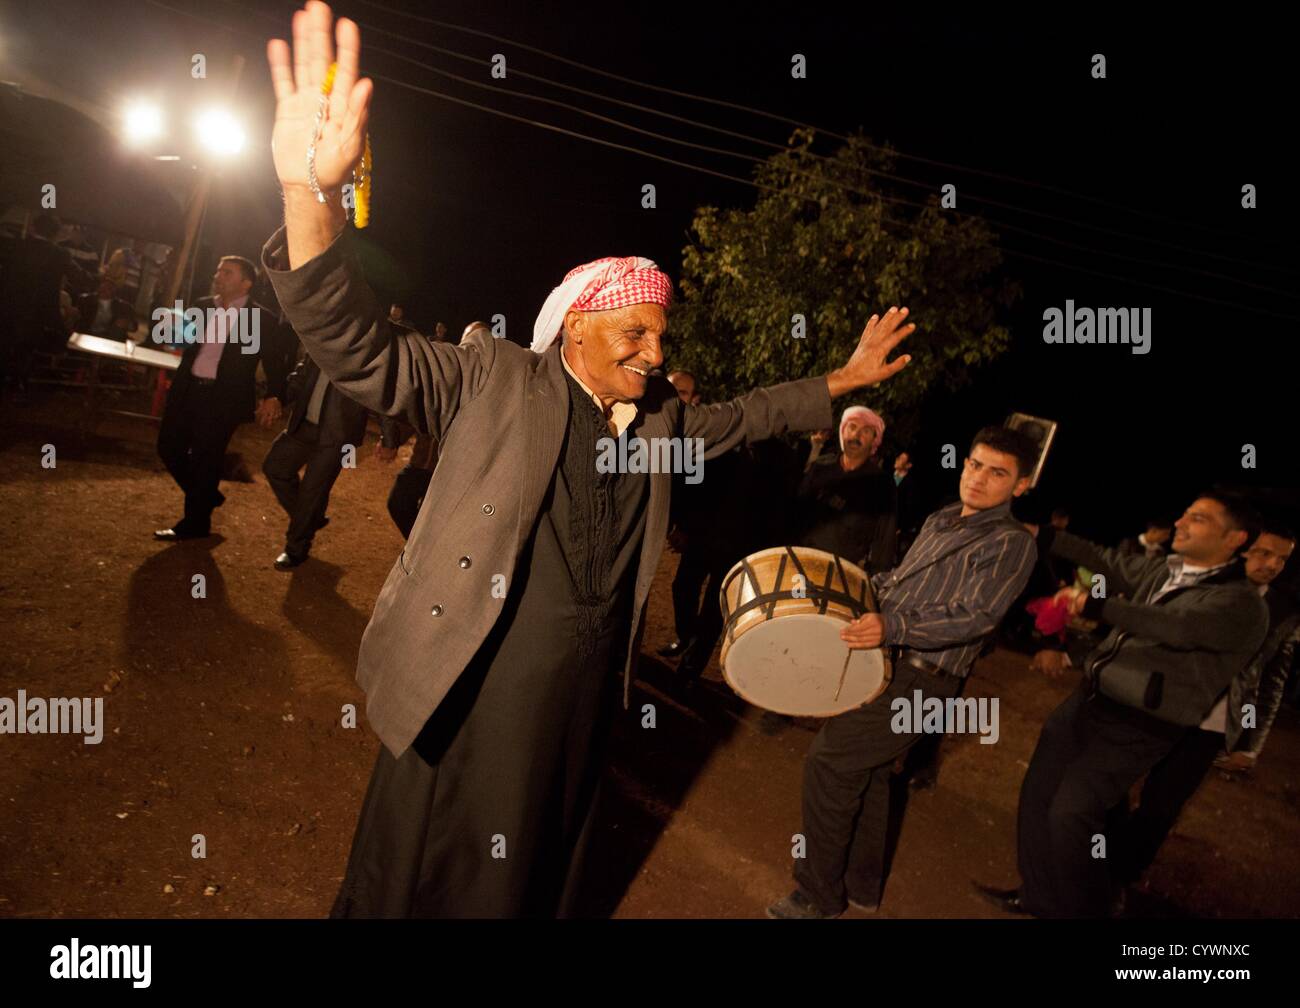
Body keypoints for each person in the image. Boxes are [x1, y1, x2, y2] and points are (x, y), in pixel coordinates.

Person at [261, 0, 917, 918]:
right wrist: (307, 195)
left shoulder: (656, 427)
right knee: (426, 867)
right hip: (472, 684)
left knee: (534, 862)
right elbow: (363, 352)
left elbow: (750, 415)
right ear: (578, 325)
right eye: (635, 331)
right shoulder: (494, 378)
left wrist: (841, 380)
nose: (655, 353)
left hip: (575, 702)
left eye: (661, 335)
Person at [767, 426, 1039, 918]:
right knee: (866, 774)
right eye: (975, 465)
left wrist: (892, 624)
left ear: (1021, 486)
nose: (978, 479)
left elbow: (976, 615)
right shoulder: (942, 519)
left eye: (998, 473)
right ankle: (860, 887)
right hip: (888, 665)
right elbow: (899, 582)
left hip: (927, 680)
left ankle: (816, 896)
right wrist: (848, 585)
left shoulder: (1011, 543)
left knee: (829, 763)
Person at [984, 491, 1269, 918]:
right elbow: (1104, 559)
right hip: (1090, 700)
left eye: (1199, 518)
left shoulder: (1242, 603)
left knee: (1072, 815)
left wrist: (1095, 604)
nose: (1181, 522)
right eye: (1185, 512)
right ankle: (1039, 895)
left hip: (1141, 723)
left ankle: (1090, 909)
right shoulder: (1167, 571)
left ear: (1235, 538)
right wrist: (1040, 534)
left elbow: (1176, 627)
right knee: (1039, 797)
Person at [1104, 522, 1298, 890]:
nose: (1272, 564)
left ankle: (1118, 879)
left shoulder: (1284, 611)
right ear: (1240, 546)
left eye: (1282, 559)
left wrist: (1249, 744)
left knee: (1161, 808)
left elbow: (1271, 681)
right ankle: (1092, 859)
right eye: (1264, 553)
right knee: (1107, 784)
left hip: (1208, 727)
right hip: (1158, 706)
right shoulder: (1203, 584)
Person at [153, 255, 294, 541]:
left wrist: (273, 396)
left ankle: (195, 524)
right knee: (168, 447)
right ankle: (207, 495)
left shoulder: (260, 319)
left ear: (246, 283)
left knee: (206, 458)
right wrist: (169, 328)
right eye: (218, 270)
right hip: (187, 391)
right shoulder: (202, 306)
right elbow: (179, 343)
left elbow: (275, 363)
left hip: (223, 400)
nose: (218, 275)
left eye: (227, 272)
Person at [262, 343, 371, 568]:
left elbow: (381, 394)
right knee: (275, 467)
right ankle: (311, 518)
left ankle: (296, 549)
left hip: (336, 436)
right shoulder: (321, 342)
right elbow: (299, 377)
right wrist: (278, 399)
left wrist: (389, 439)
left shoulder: (367, 353)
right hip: (304, 425)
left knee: (313, 491)